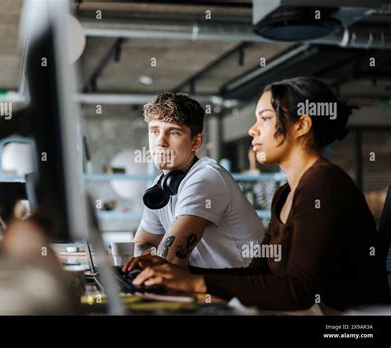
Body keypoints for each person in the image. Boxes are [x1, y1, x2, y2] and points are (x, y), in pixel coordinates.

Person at [124, 77, 389, 311]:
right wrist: (179, 274)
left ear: (301, 125)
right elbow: (257, 272)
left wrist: (194, 282)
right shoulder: (285, 193)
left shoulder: (324, 183)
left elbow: (300, 289)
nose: (253, 129)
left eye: (264, 118)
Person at [134, 92, 265, 269]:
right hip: (206, 287)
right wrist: (150, 258)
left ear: (196, 142)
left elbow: (171, 261)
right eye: (154, 131)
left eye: (173, 132)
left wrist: (153, 262)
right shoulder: (160, 186)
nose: (160, 142)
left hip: (241, 291)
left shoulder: (207, 177)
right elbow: (143, 242)